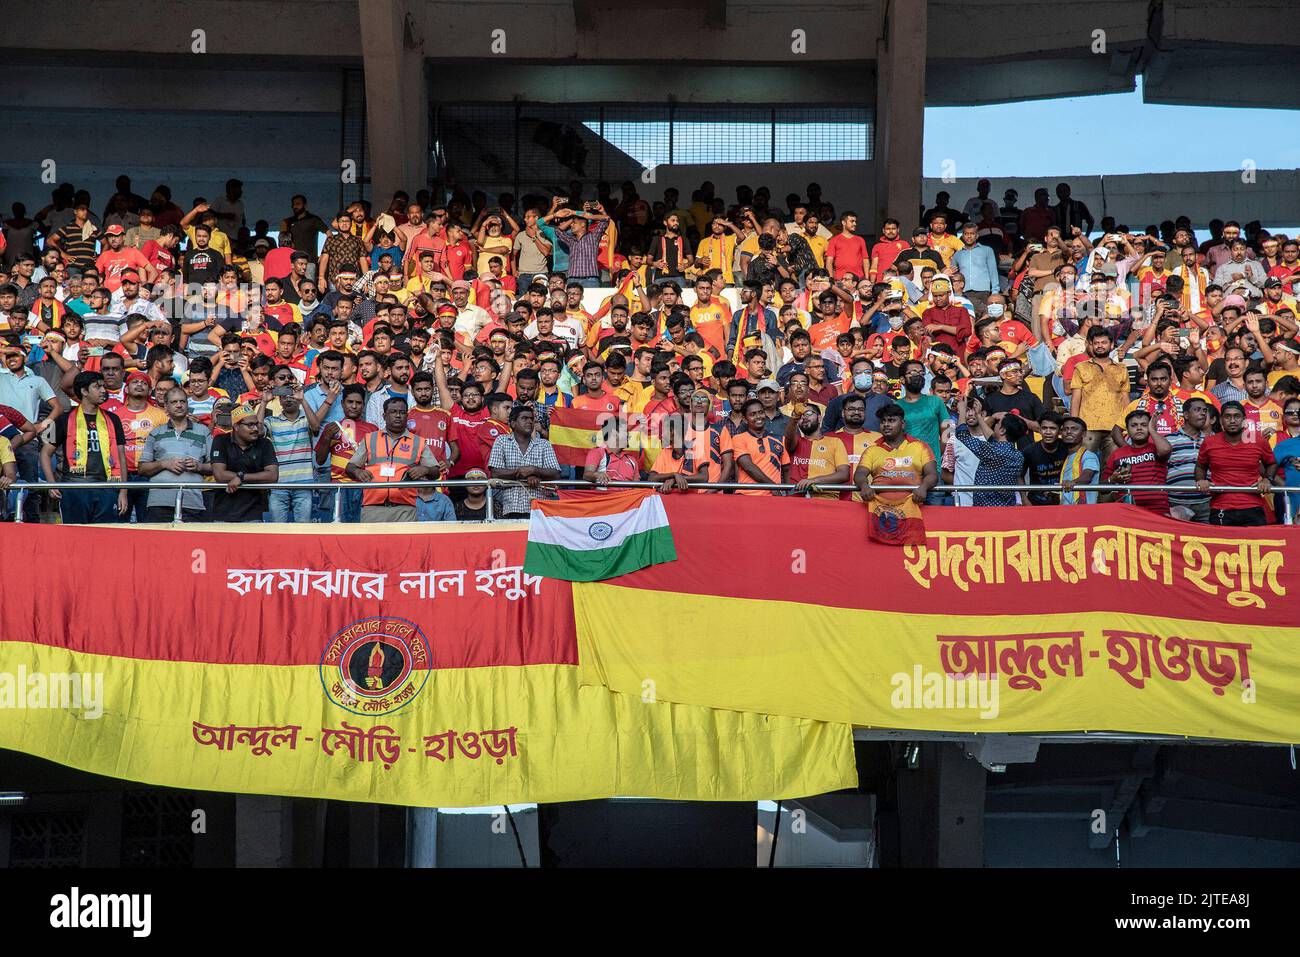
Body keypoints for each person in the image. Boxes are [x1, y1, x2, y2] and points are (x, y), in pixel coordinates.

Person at [41, 371, 129, 524]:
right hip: (75, 486)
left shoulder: (113, 419)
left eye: (103, 387)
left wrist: (123, 491)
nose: (103, 391)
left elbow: (121, 456)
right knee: (74, 537)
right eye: (97, 387)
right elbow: (45, 453)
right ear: (84, 391)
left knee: (105, 537)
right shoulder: (64, 419)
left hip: (108, 487)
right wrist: (51, 483)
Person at [346, 395, 444, 523]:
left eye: (402, 412)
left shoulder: (418, 442)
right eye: (393, 412)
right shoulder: (371, 438)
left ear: (407, 416)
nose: (398, 415)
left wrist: (425, 470)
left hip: (405, 509)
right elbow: (350, 467)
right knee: (372, 544)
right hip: (372, 508)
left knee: (405, 544)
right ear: (384, 416)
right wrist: (358, 472)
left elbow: (436, 472)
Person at [137, 386, 214, 522]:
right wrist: (164, 464)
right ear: (166, 406)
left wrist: (199, 467)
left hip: (192, 502)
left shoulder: (203, 431)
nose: (179, 405)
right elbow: (142, 469)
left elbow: (215, 467)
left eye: (182, 401)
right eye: (174, 402)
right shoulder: (156, 433)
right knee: (158, 543)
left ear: (187, 404)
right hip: (159, 502)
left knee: (192, 543)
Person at [1194, 400, 1275, 526]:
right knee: (1222, 546)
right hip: (1220, 507)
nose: (1232, 420)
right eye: (1227, 416)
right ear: (1221, 420)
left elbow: (1271, 464)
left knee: (1255, 545)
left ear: (1244, 420)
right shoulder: (1209, 442)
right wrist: (1200, 479)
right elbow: (1200, 466)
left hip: (1253, 506)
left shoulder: (1259, 440)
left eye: (1236, 416)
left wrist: (1267, 479)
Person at [852, 402, 937, 504]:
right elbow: (860, 473)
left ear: (903, 424)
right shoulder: (872, 450)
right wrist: (864, 486)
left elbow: (932, 474)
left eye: (891, 420)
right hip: (879, 507)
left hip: (914, 506)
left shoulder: (921, 446)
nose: (886, 424)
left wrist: (924, 487)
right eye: (883, 421)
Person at [209, 403, 279, 522]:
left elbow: (272, 475)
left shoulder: (264, 443)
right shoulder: (221, 441)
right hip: (223, 513)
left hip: (253, 513)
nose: (255, 429)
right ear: (236, 427)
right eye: (250, 425)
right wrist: (242, 477)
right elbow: (220, 475)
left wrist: (241, 477)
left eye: (256, 424)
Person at [488, 404, 561, 518]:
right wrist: (523, 474)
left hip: (539, 507)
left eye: (531, 419)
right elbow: (496, 472)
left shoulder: (543, 444)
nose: (530, 422)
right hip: (509, 506)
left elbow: (555, 473)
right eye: (524, 418)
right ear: (513, 423)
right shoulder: (501, 441)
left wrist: (534, 470)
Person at [954, 395, 1025, 506]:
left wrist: (962, 411)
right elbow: (993, 439)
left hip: (986, 509)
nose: (994, 425)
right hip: (1006, 508)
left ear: (1002, 430)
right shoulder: (1018, 455)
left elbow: (962, 435)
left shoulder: (992, 451)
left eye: (997, 424)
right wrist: (978, 414)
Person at [261, 383, 315, 522]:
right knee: (278, 532)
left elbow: (315, 426)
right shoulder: (271, 421)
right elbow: (258, 431)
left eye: (291, 395)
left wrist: (303, 399)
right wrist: (263, 402)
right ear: (279, 400)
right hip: (279, 484)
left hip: (303, 484)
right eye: (284, 396)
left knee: (303, 531)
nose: (288, 399)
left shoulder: (306, 419)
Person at [1103, 409, 1173, 514]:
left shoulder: (1156, 449)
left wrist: (1152, 430)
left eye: (1144, 425)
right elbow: (1102, 488)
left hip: (1157, 509)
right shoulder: (1116, 454)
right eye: (1134, 425)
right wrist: (1112, 479)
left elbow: (1166, 450)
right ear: (1127, 429)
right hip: (1127, 511)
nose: (1139, 428)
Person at [1165, 396, 1212, 523]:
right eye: (1197, 410)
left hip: (1206, 502)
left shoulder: (1212, 440)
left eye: (1204, 410)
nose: (1203, 413)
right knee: (1177, 542)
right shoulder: (1169, 439)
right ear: (1186, 415)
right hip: (1176, 503)